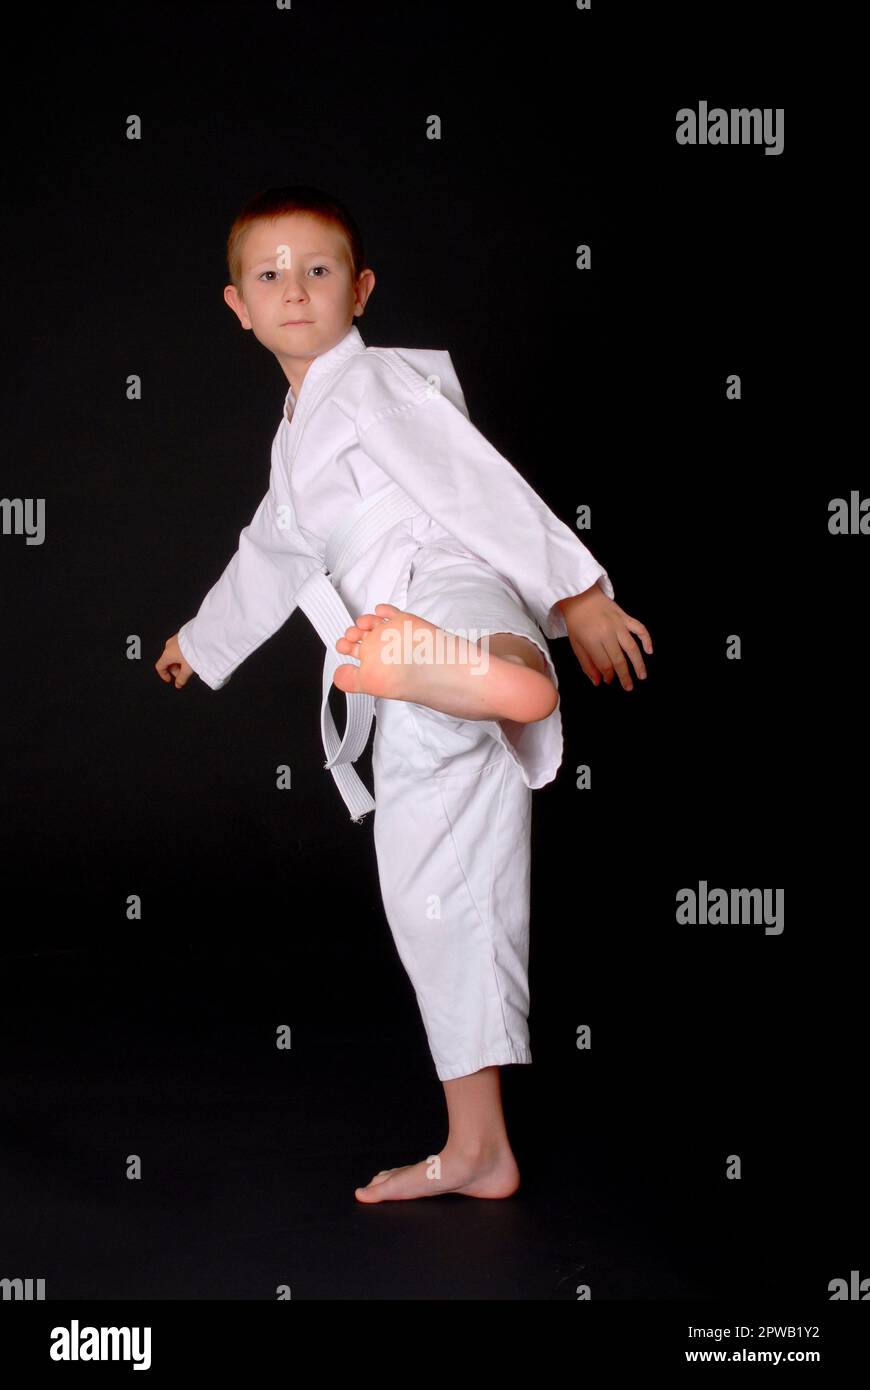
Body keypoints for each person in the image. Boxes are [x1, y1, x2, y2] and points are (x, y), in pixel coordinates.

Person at [155, 185, 653, 1203]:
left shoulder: (374, 385)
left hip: (440, 584)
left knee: (457, 638)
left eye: (320, 269)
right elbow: (270, 552)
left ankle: (497, 671)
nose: (295, 288)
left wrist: (581, 586)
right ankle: (479, 1147)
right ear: (237, 305)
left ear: (362, 288)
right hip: (407, 651)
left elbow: (474, 483)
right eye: (270, 274)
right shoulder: (297, 441)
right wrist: (200, 643)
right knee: (431, 882)